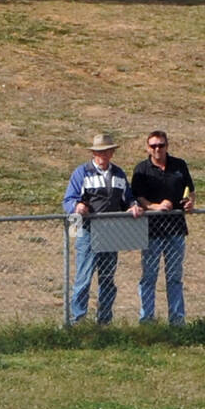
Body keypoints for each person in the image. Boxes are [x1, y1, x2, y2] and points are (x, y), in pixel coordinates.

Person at [63, 133, 144, 325]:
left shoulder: (119, 174)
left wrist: (132, 206)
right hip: (88, 231)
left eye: (107, 151)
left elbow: (127, 198)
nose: (104, 155)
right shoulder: (82, 172)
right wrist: (77, 207)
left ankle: (104, 321)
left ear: (112, 153)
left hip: (111, 232)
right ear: (93, 153)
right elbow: (68, 200)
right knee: (83, 278)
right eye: (100, 152)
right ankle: (78, 320)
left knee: (107, 279)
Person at [132, 130, 195, 325]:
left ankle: (177, 321)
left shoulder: (179, 165)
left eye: (161, 145)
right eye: (153, 146)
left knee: (174, 277)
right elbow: (138, 198)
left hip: (176, 229)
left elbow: (190, 191)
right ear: (147, 148)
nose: (157, 149)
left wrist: (190, 203)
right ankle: (147, 320)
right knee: (149, 277)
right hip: (152, 230)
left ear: (167, 146)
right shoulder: (142, 169)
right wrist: (155, 207)